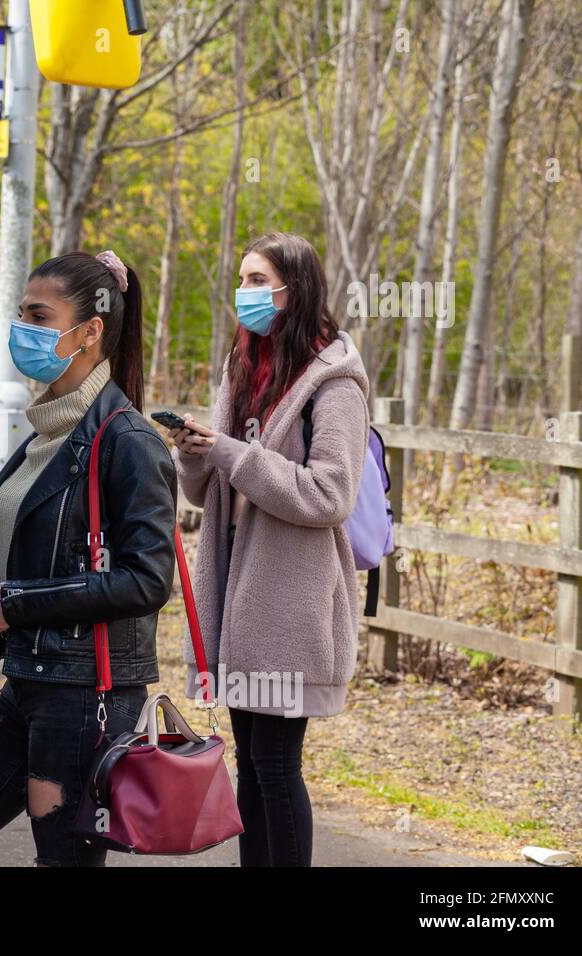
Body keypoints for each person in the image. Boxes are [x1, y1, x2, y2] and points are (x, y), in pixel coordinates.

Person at [0, 250, 178, 867]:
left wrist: (16, 601)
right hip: (27, 680)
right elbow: (51, 551)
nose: (20, 330)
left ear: (89, 332)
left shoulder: (129, 442)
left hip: (85, 692)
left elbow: (146, 580)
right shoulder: (44, 434)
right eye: (19, 314)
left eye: (37, 315)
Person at [164, 232, 369, 867]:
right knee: (251, 766)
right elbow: (209, 491)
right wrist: (193, 452)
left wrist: (228, 452)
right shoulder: (243, 368)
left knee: (276, 766)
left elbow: (330, 494)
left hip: (289, 604)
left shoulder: (335, 385)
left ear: (294, 290)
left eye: (259, 282)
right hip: (236, 600)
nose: (245, 294)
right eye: (243, 279)